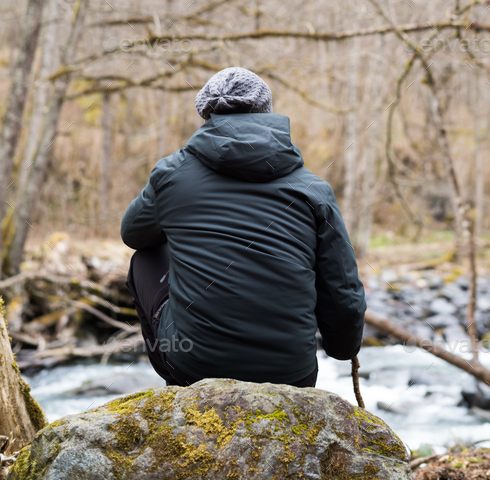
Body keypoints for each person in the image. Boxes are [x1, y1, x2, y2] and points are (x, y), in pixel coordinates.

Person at [121, 66, 366, 387]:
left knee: (145, 258)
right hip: (294, 376)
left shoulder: (172, 174)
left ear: (206, 116)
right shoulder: (313, 190)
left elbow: (133, 233)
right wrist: (343, 349)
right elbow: (344, 296)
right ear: (267, 112)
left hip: (194, 368)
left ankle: (177, 388)